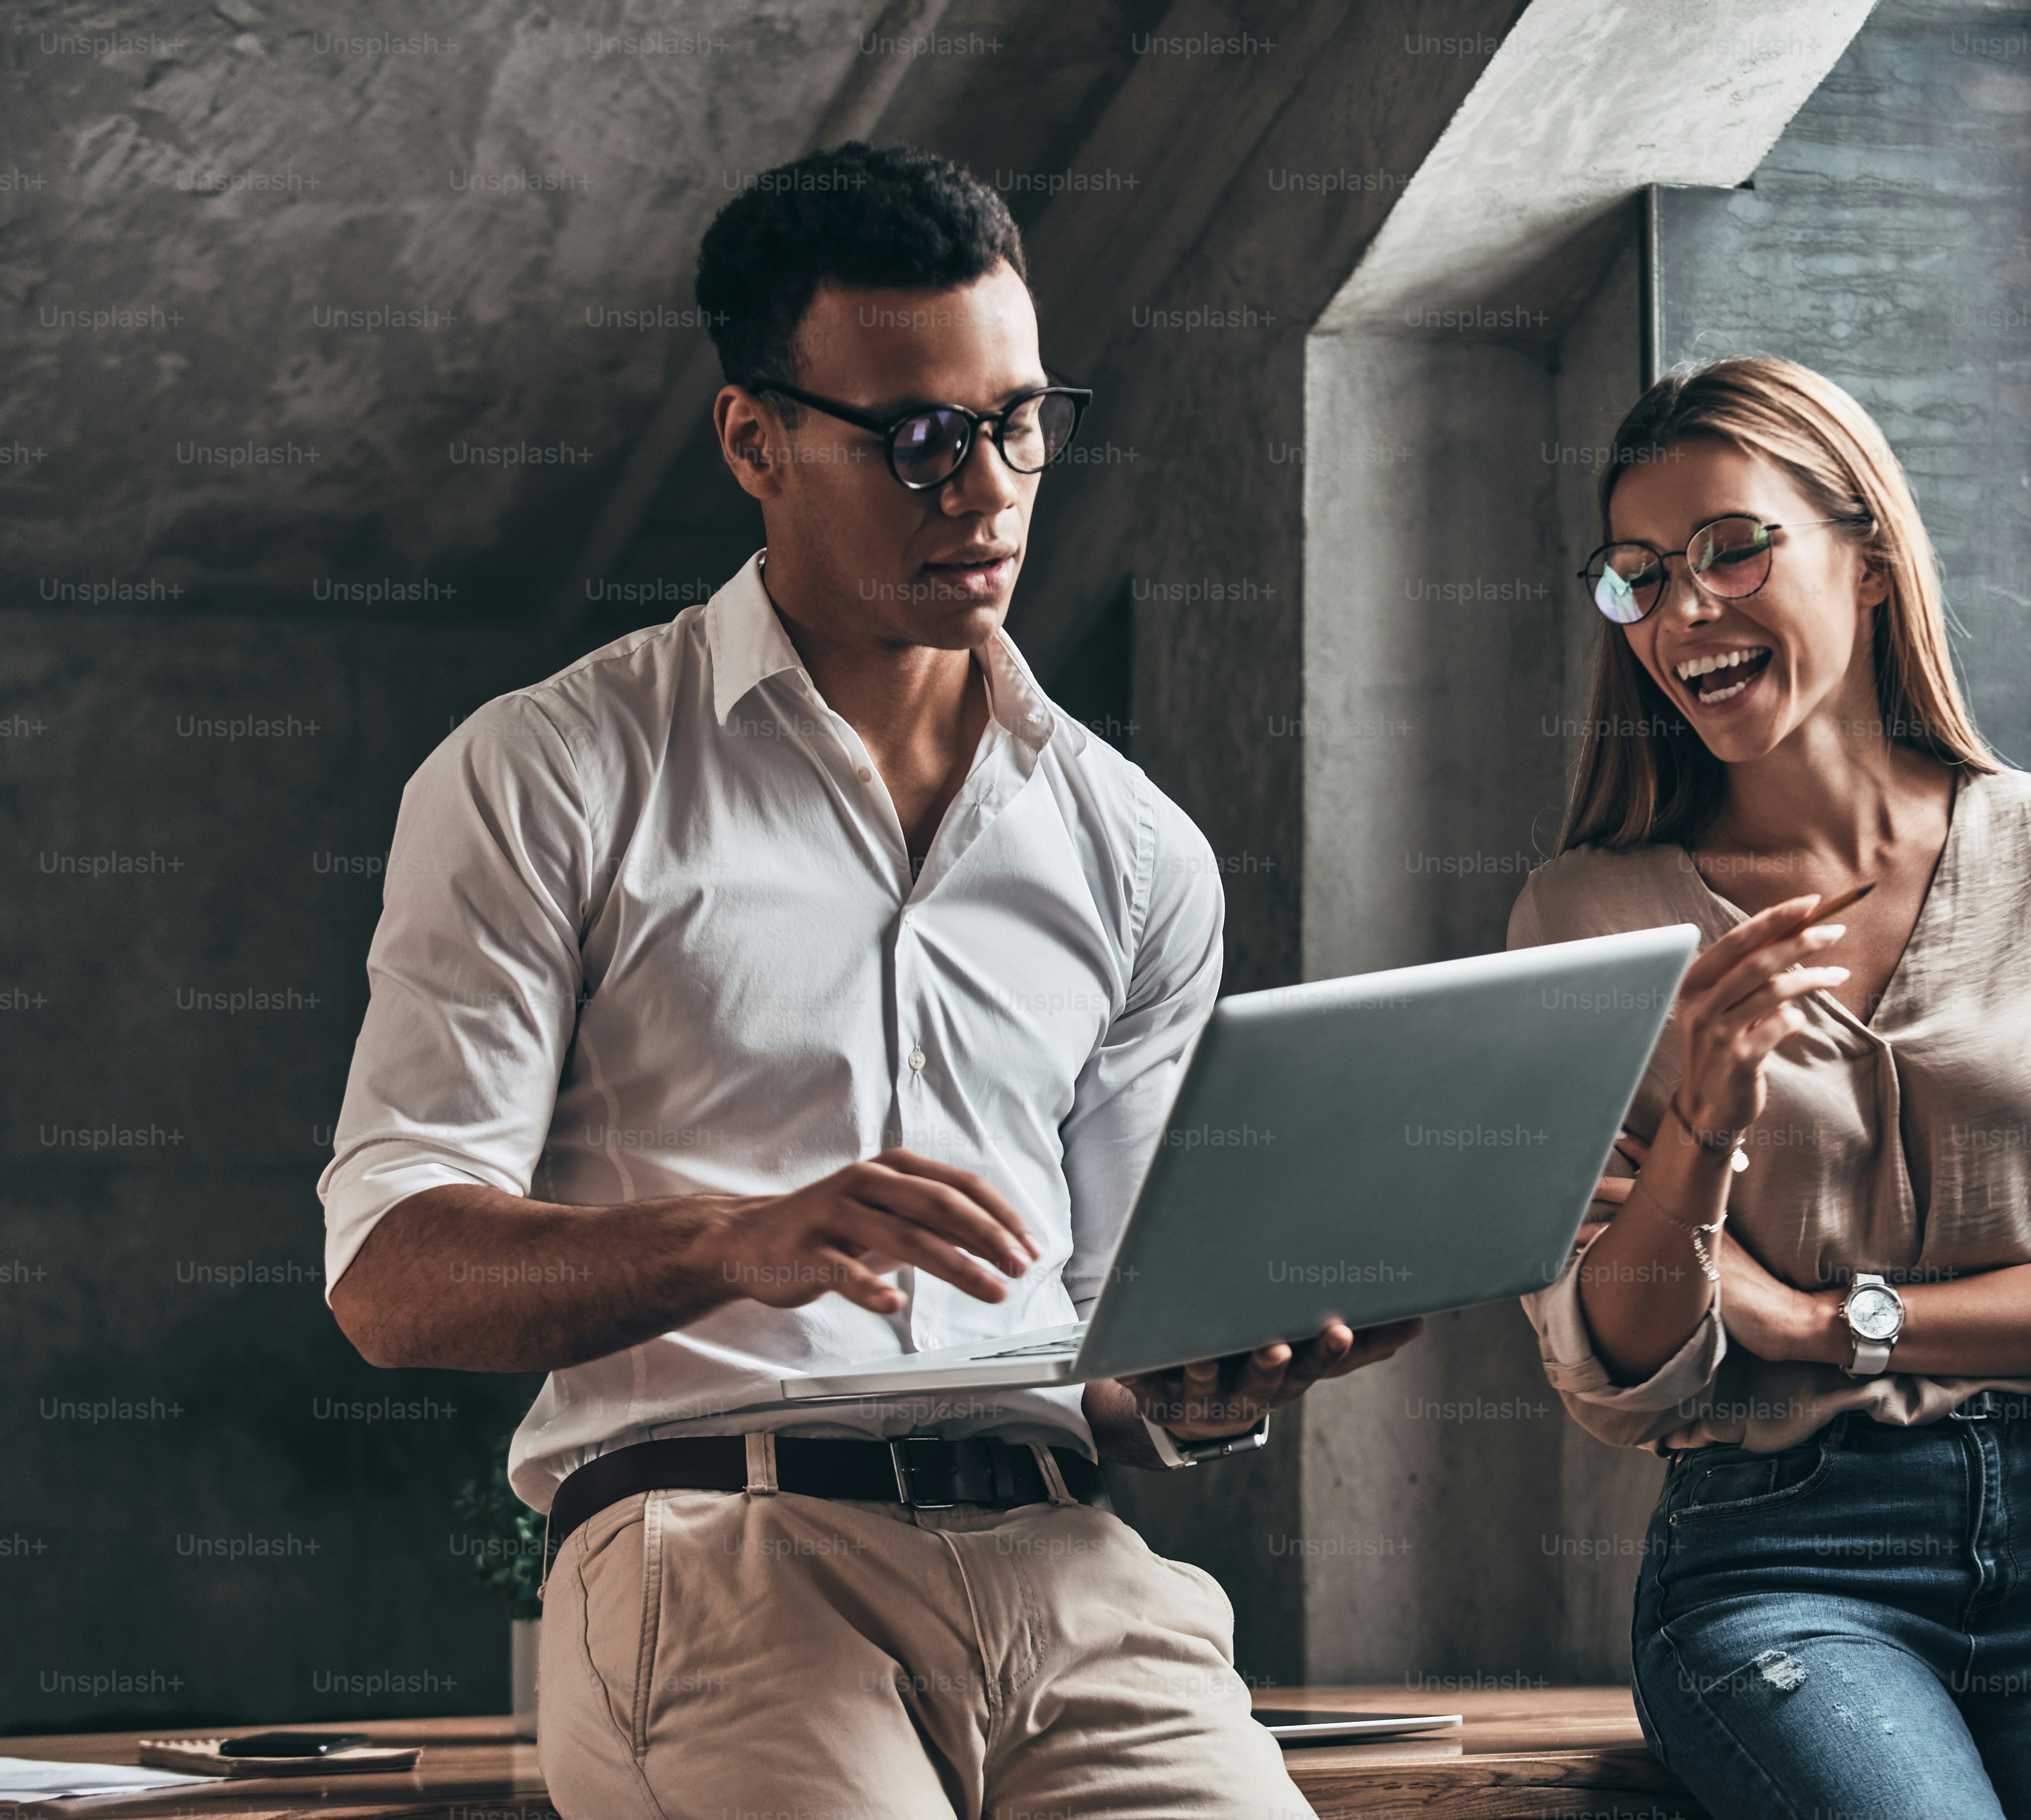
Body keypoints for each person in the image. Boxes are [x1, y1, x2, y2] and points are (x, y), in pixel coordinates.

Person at [318, 142, 1415, 1820]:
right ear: (754, 440)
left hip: (1075, 1569)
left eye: (1020, 422)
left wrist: (1215, 1382)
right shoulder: (548, 776)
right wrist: (731, 1242)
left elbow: (1120, 1346)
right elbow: (392, 1278)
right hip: (717, 1553)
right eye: (918, 439)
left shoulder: (1139, 852)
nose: (986, 492)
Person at [1507, 355, 2031, 1819]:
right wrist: (1704, 1118)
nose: (1683, 612)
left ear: (1872, 560)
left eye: (1731, 549)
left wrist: (1826, 1321)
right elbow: (1619, 1362)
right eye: (1641, 577)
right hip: (1779, 1561)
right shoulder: (1584, 921)